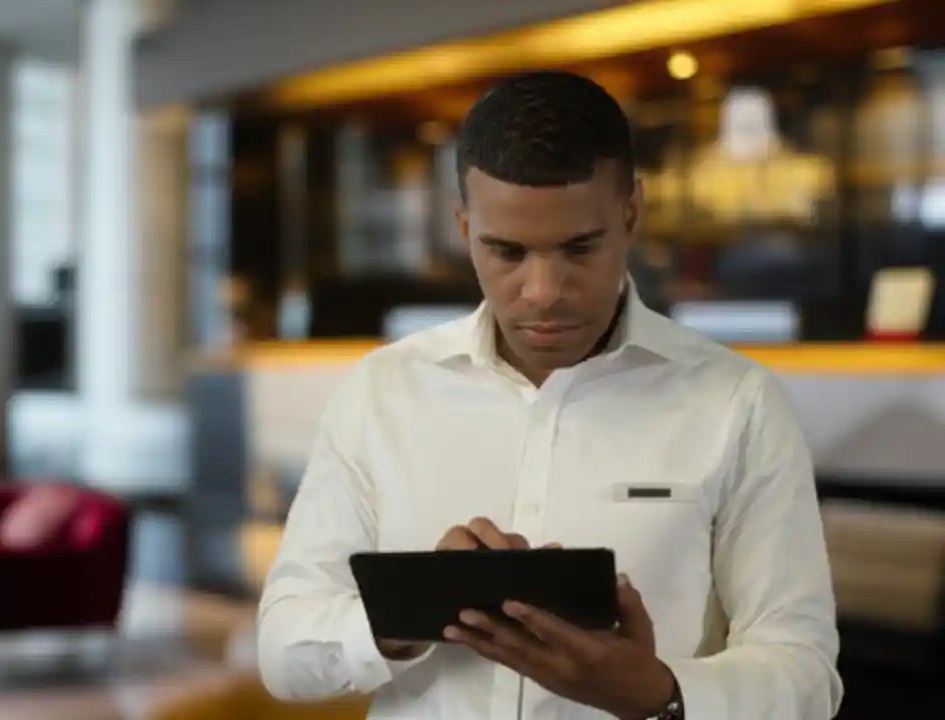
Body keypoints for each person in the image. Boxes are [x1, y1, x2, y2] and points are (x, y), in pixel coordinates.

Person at [256, 71, 842, 720]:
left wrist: (660, 695)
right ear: (463, 228)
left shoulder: (739, 403)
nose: (542, 292)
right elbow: (284, 651)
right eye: (505, 252)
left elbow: (806, 672)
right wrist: (413, 609)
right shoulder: (380, 392)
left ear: (631, 215)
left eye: (579, 248)